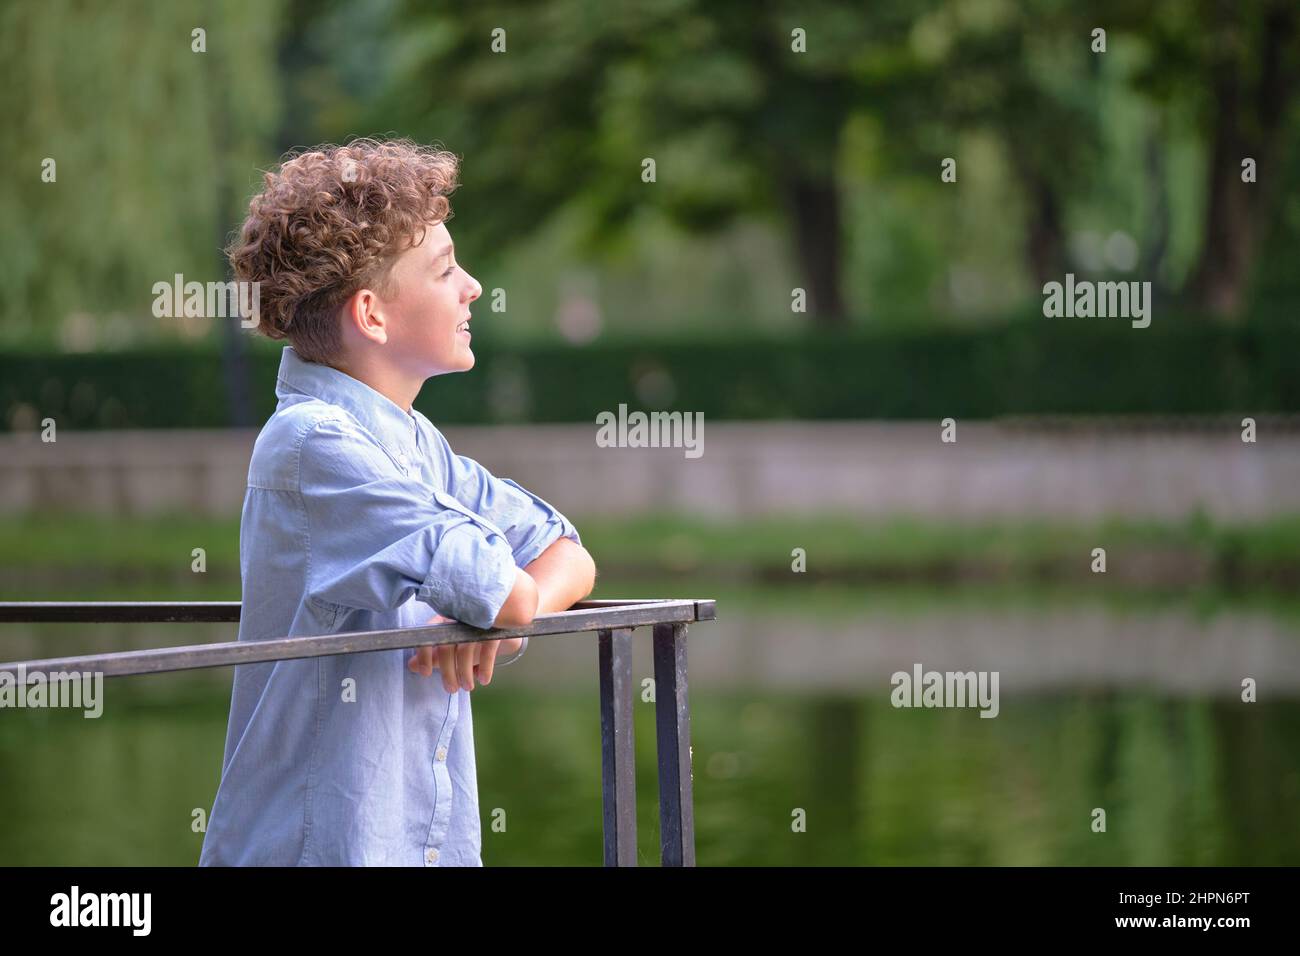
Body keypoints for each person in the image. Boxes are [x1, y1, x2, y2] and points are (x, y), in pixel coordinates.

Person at [199, 138, 597, 866]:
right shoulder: (315, 445)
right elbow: (501, 589)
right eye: (445, 270)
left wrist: (506, 613)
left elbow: (566, 552)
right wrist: (497, 609)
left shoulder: (414, 443)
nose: (472, 286)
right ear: (372, 317)